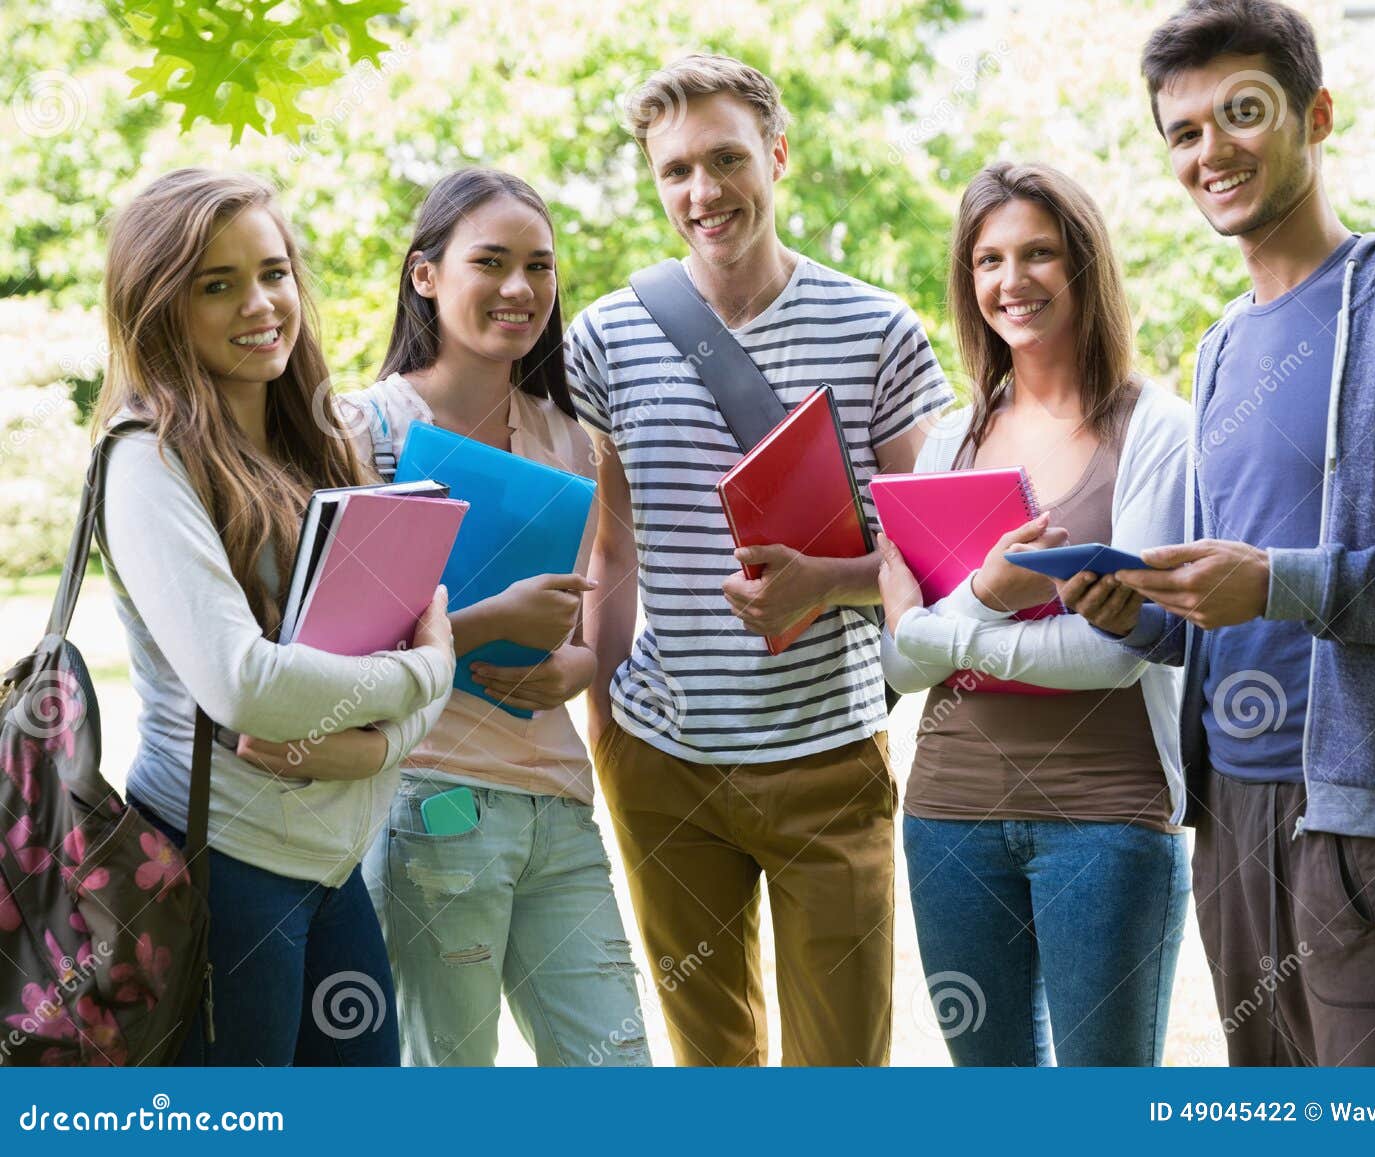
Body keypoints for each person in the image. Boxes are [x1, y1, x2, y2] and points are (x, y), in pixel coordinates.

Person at [1066, 0, 1375, 1065]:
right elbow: (1236, 593)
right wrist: (1147, 612)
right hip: (1230, 806)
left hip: (1371, 806)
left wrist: (1283, 582)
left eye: (1240, 113)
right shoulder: (1220, 351)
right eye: (1184, 133)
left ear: (1315, 113)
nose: (1211, 152)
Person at [566, 54, 953, 1065]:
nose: (702, 193)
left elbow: (939, 554)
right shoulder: (605, 337)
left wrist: (826, 581)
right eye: (675, 171)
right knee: (710, 1061)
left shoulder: (878, 331)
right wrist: (607, 725)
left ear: (777, 156)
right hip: (664, 766)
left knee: (840, 1066)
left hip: (830, 758)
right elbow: (611, 543)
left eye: (726, 159)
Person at [94, 168, 455, 1065]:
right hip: (221, 871)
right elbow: (244, 684)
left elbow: (403, 627)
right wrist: (429, 675)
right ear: (159, 308)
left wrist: (379, 743)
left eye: (273, 271)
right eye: (215, 284)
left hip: (332, 867)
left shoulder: (320, 444)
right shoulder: (146, 463)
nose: (259, 304)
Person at [876, 161, 1191, 1066]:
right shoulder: (948, 441)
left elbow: (1112, 654)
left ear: (1084, 266)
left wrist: (945, 627)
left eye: (1040, 254)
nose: (1012, 282)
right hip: (949, 817)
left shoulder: (1155, 428)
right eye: (989, 260)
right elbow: (897, 672)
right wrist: (985, 600)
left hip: (1108, 817)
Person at [343, 168, 649, 1068]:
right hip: (430, 798)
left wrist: (585, 662)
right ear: (425, 275)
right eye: (492, 262)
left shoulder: (570, 435)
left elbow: (613, 564)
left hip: (555, 799)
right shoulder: (365, 428)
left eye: (540, 267)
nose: (521, 289)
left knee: (617, 1071)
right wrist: (487, 618)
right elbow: (339, 645)